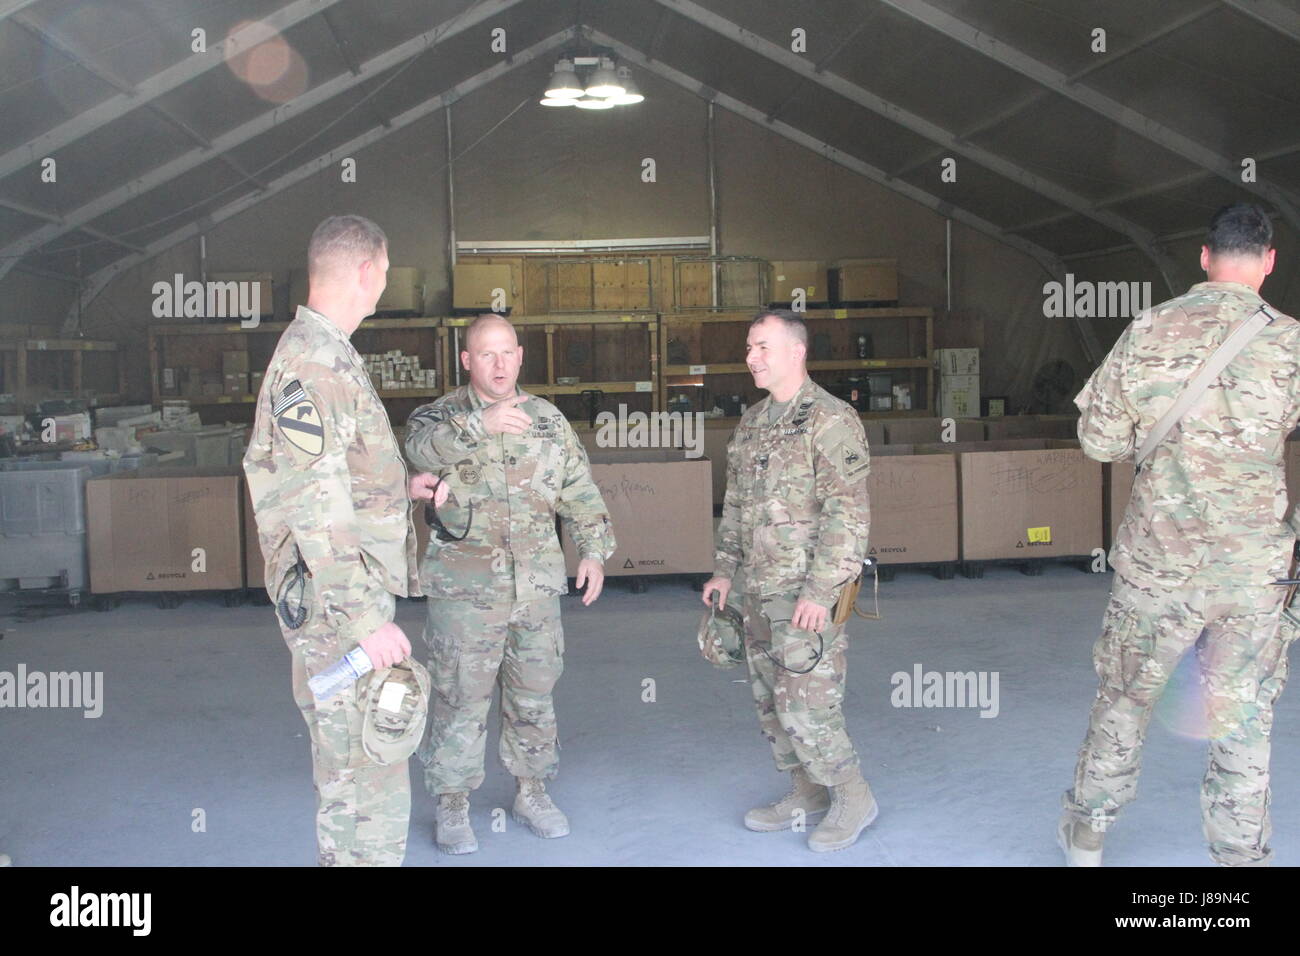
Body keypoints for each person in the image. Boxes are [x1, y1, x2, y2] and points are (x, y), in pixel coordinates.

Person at [1060, 203, 1300, 867]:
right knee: (1243, 717)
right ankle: (1240, 858)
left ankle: (1088, 836)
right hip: (1252, 576)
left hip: (1158, 566)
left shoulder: (1150, 329)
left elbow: (1099, 441)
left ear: (1203, 256)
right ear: (1269, 261)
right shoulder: (1291, 342)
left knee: (1125, 699)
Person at [244, 214, 446, 866]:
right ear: (366, 270)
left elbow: (334, 475)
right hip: (337, 606)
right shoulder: (316, 364)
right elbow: (314, 504)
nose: (385, 283)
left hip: (335, 591)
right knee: (363, 768)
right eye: (385, 271)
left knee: (364, 757)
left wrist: (398, 489)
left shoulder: (324, 352)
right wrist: (364, 621)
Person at [405, 313, 614, 855]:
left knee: (534, 694)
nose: (499, 365)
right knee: (460, 697)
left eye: (507, 353)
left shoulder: (548, 420)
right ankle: (452, 803)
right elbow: (418, 452)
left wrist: (593, 551)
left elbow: (579, 491)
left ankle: (532, 791)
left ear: (520, 356)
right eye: (486, 354)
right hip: (465, 591)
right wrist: (482, 424)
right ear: (466, 361)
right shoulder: (440, 416)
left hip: (536, 588)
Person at [702, 309, 874, 852]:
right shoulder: (753, 422)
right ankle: (807, 790)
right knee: (770, 700)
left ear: (796, 352)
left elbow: (849, 515)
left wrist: (821, 593)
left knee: (807, 701)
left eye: (762, 347)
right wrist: (724, 571)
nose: (751, 357)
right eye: (749, 348)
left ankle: (852, 796)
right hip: (757, 589)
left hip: (805, 594)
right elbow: (735, 505)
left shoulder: (831, 419)